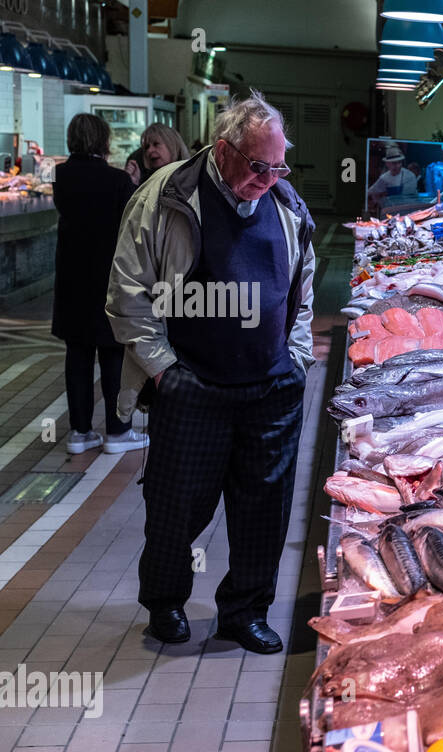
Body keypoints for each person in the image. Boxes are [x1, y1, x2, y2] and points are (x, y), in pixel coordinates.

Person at [105, 91, 316, 654]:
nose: (268, 178)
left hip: (269, 387)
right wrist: (163, 372)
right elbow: (128, 294)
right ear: (224, 150)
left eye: (278, 167)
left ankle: (244, 612)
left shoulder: (287, 204)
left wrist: (296, 358)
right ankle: (166, 604)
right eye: (258, 166)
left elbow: (303, 290)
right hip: (191, 384)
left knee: (262, 512)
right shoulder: (168, 194)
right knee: (175, 507)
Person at [52, 114, 148, 455]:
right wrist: (132, 182)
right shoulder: (116, 181)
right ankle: (118, 432)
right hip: (109, 280)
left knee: (76, 357)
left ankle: (79, 433)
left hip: (71, 280)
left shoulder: (61, 176)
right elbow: (135, 220)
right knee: (113, 356)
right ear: (103, 139)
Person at [124, 123, 191, 187]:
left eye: (156, 144)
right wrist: (133, 183)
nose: (149, 151)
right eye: (147, 147)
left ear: (172, 145)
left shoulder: (191, 177)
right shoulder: (147, 180)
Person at [366, 144, 417, 210]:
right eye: (394, 163)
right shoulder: (384, 178)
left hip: (408, 209)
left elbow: (406, 198)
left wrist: (386, 194)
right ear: (387, 164)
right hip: (390, 210)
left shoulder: (409, 176)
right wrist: (376, 199)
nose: (397, 166)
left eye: (399, 162)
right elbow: (370, 192)